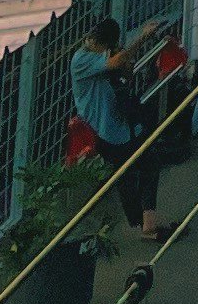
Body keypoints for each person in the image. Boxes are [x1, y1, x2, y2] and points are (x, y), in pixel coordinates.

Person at [69, 14, 174, 243]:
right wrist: (142, 37)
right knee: (140, 166)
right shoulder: (82, 59)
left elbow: (125, 68)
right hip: (105, 128)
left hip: (121, 123)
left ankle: (146, 222)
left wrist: (126, 61)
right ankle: (147, 223)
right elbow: (116, 63)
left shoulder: (103, 52)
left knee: (135, 169)